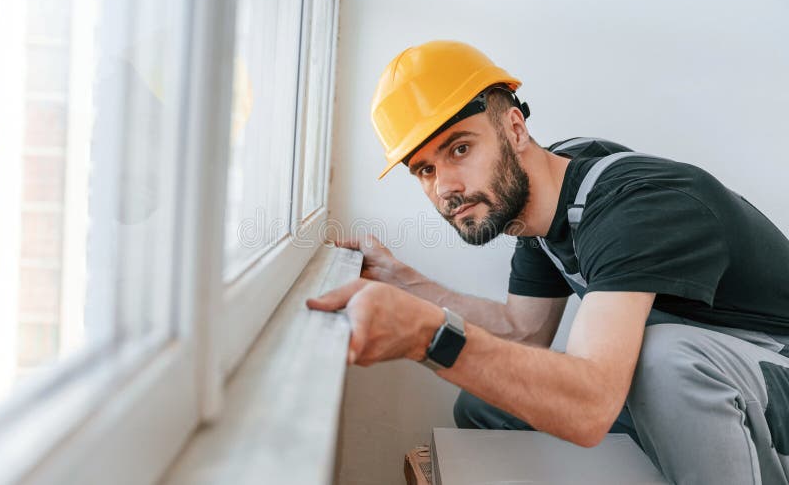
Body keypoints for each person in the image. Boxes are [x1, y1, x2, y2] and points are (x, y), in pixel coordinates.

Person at [306, 40, 789, 484]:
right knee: (488, 402)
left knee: (664, 358)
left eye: (460, 148)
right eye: (425, 169)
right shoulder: (542, 204)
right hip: (716, 390)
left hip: (772, 379)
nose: (445, 187)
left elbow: (591, 404)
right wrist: (402, 281)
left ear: (515, 128)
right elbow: (523, 330)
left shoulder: (634, 206)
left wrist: (426, 335)